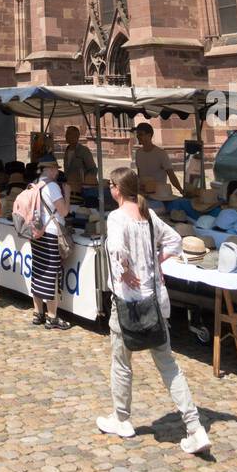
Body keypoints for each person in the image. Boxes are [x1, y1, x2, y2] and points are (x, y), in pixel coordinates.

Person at [97, 167, 210, 454]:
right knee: (169, 366)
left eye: (111, 185)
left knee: (122, 362)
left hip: (128, 303)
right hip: (155, 301)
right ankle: (194, 426)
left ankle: (122, 418)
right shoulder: (149, 217)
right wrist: (155, 262)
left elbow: (116, 250)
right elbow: (174, 240)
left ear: (117, 189)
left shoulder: (117, 216)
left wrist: (126, 268)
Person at [29, 154, 72, 330]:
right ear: (51, 169)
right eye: (56, 169)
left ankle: (38, 312)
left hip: (37, 233)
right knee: (51, 275)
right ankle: (52, 316)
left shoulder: (34, 183)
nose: (57, 173)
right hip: (51, 234)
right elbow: (64, 212)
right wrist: (67, 194)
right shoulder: (52, 186)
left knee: (38, 271)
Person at [133, 123, 183, 198]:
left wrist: (181, 191)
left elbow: (171, 175)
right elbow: (140, 173)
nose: (138, 137)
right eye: (137, 135)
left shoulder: (161, 153)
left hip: (159, 194)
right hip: (143, 194)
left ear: (149, 135)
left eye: (141, 134)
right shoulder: (138, 153)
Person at [62, 125, 97, 196]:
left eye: (68, 134)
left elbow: (93, 169)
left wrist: (86, 182)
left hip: (82, 189)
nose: (66, 136)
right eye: (66, 134)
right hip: (70, 188)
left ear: (76, 136)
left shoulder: (84, 150)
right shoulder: (67, 150)